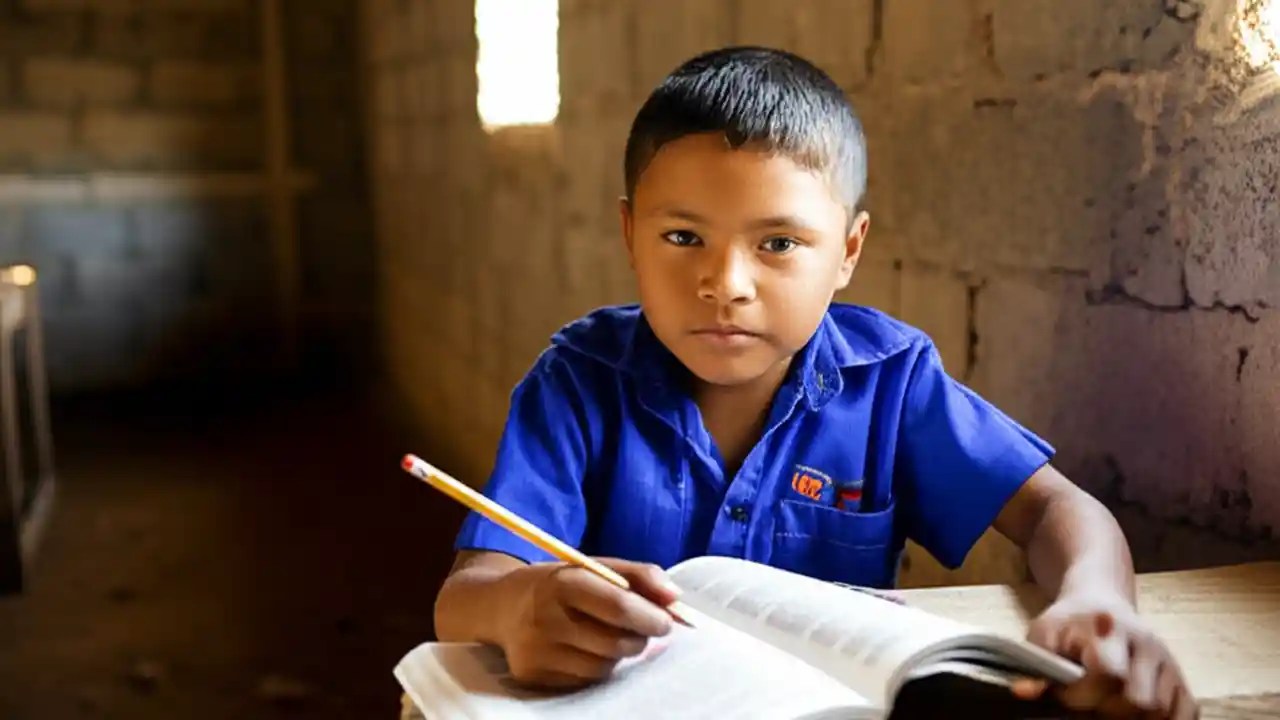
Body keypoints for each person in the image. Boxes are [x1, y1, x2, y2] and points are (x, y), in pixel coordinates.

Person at [432, 46, 1194, 718]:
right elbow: (468, 592)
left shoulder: (890, 383)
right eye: (682, 237)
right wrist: (517, 606)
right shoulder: (577, 382)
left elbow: (1058, 508)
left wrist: (1096, 599)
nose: (725, 283)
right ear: (630, 235)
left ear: (848, 251)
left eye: (779, 243)